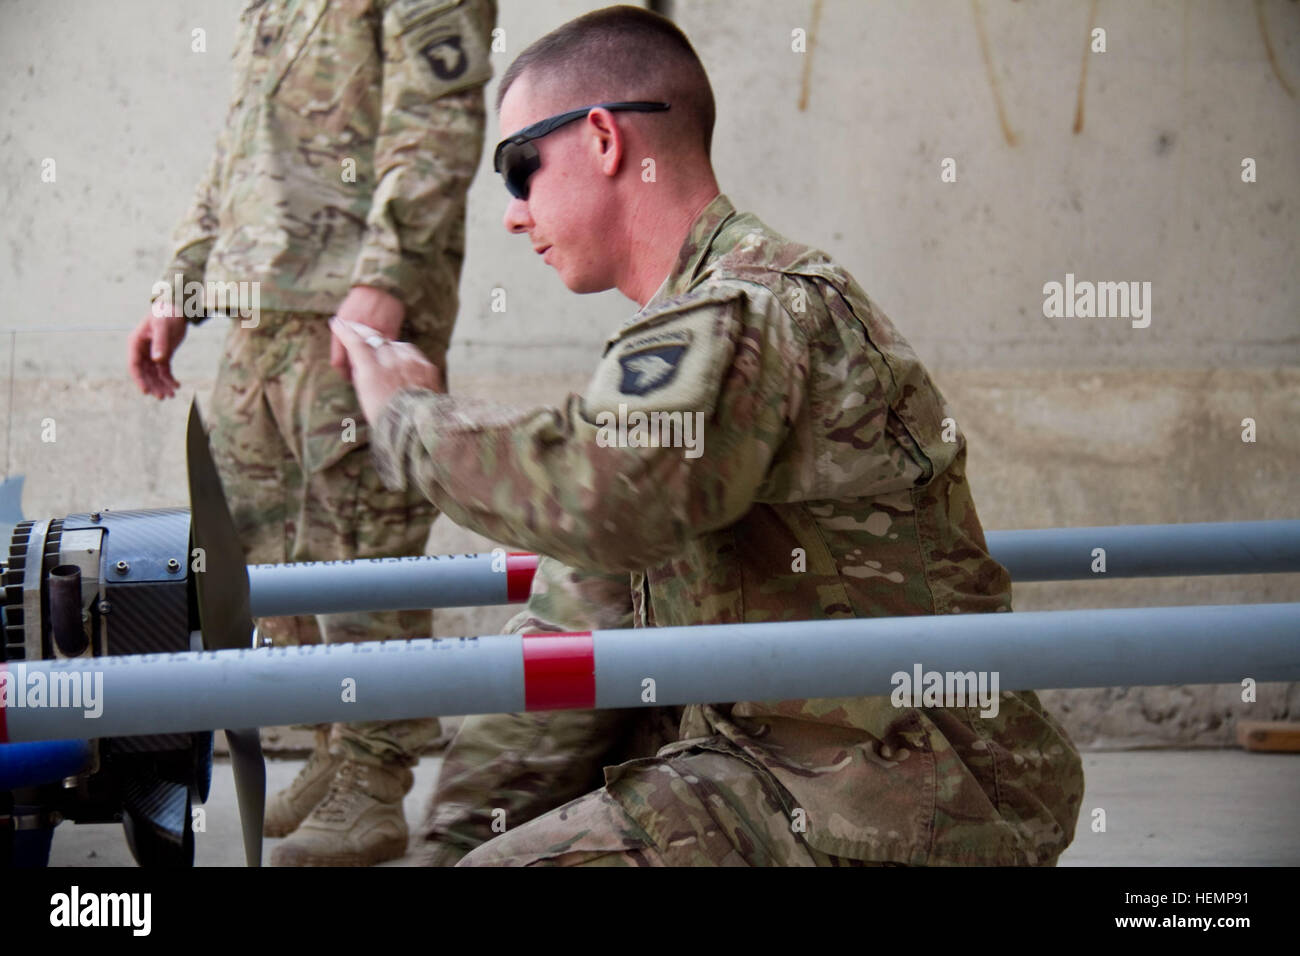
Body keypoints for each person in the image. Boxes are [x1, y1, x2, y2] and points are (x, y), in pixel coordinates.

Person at [334, 4, 1085, 866]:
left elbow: (607, 495)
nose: (513, 213)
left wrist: (408, 419)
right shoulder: (688, 339)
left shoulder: (748, 310)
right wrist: (452, 846)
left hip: (904, 794)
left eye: (520, 169)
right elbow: (580, 623)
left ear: (604, 140)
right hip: (801, 770)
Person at [126, 0, 496, 867]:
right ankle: (333, 747)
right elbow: (239, 146)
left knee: (364, 546)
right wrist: (180, 280)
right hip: (257, 304)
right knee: (262, 546)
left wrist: (389, 274)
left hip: (351, 306)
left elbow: (438, 116)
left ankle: (373, 782)